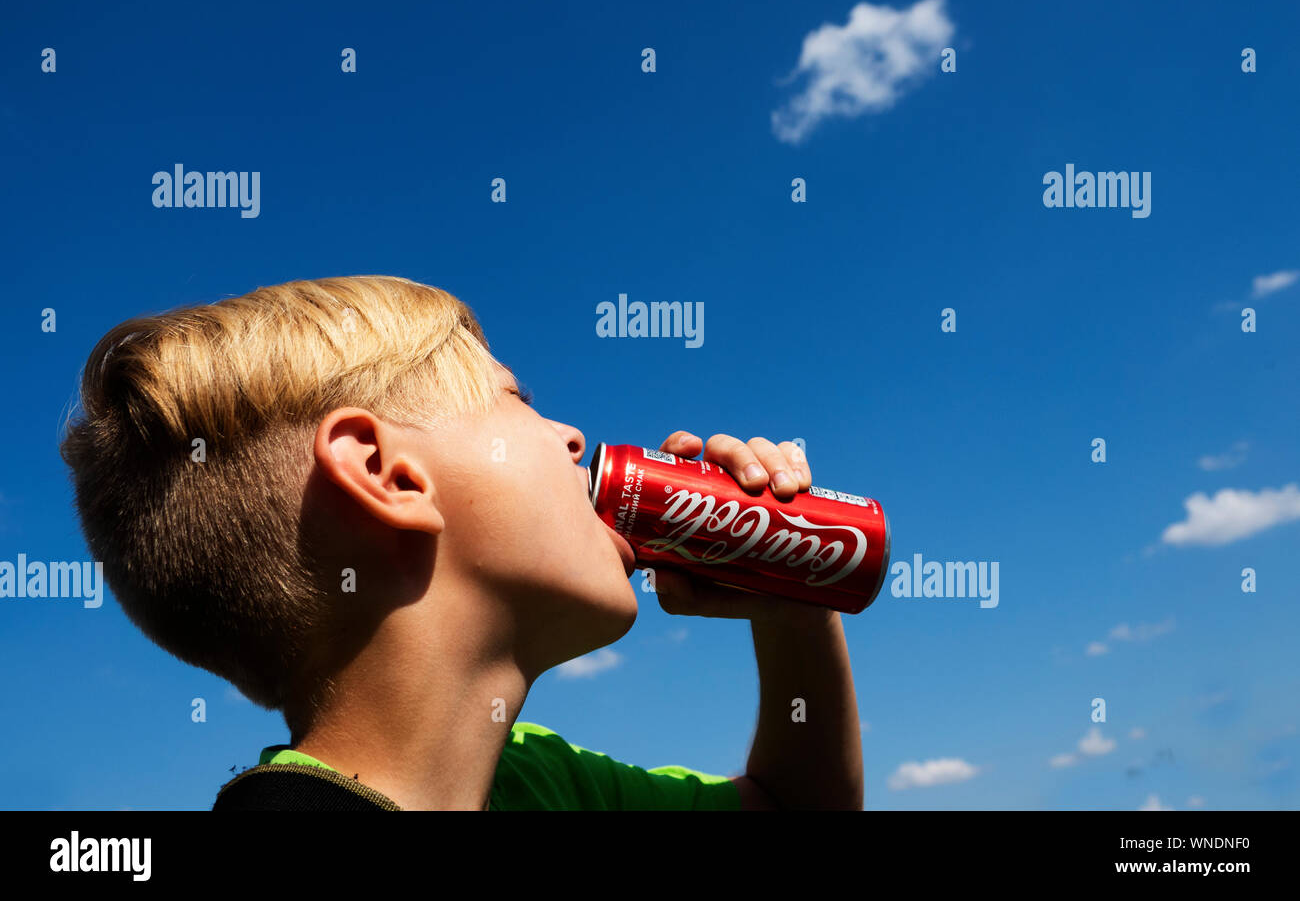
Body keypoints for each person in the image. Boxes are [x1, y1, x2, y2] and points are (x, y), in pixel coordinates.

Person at [58, 276, 864, 810]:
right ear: (387, 473)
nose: (574, 436)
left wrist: (794, 609)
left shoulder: (536, 781)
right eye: (518, 399)